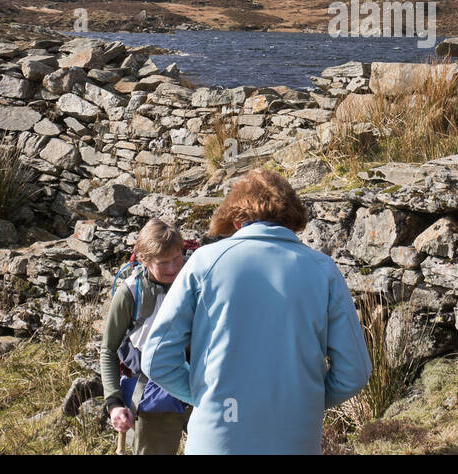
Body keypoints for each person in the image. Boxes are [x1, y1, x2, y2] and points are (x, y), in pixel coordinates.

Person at [141, 168, 372, 454]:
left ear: (236, 220)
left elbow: (155, 358)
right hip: (294, 439)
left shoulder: (205, 262)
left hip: (218, 438)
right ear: (291, 220)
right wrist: (301, 403)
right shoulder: (323, 270)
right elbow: (355, 371)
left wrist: (208, 396)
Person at [100, 218, 190, 454]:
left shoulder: (196, 278)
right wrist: (114, 403)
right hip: (153, 396)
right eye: (163, 262)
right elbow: (108, 349)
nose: (173, 268)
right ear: (144, 260)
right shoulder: (130, 293)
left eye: (177, 258)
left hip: (199, 384)